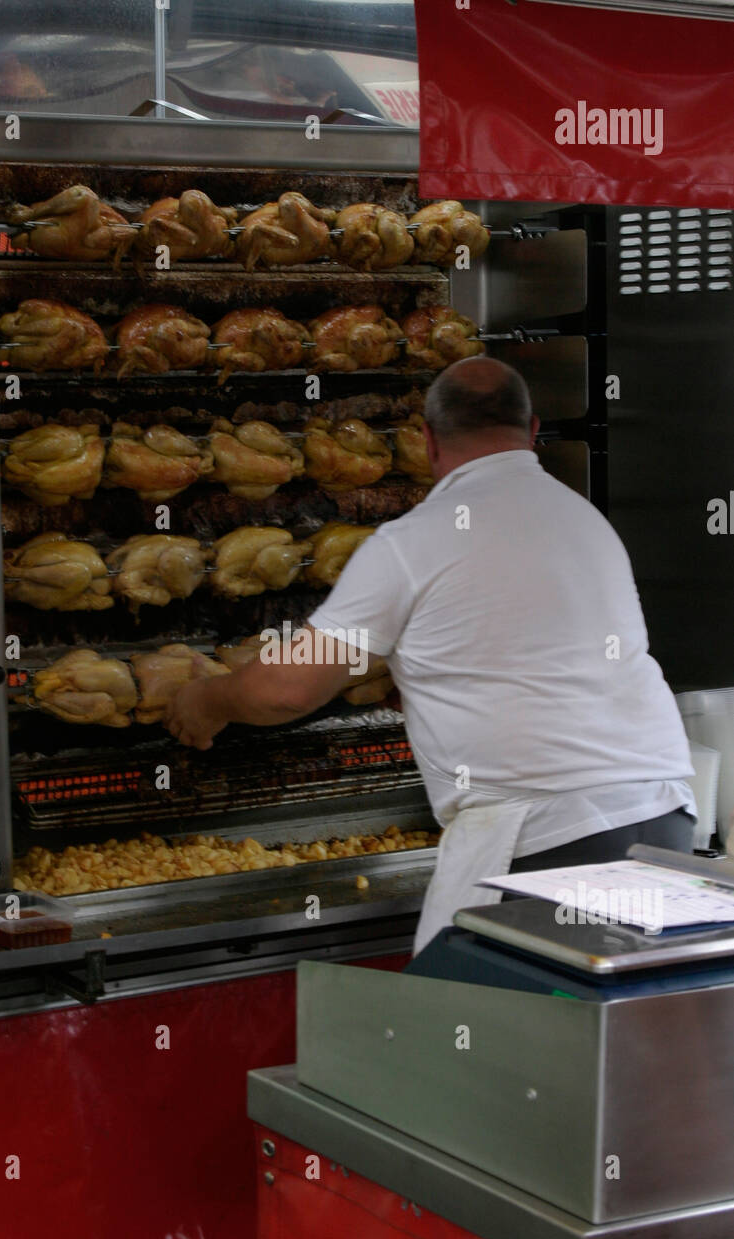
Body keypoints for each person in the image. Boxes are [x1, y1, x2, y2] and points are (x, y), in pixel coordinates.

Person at [165, 358, 696, 954]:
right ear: (534, 429)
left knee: (500, 1037)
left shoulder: (416, 540)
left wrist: (207, 698)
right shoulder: (586, 520)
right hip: (661, 823)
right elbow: (515, 643)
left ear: (427, 441)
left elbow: (286, 690)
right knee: (616, 1036)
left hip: (552, 844)